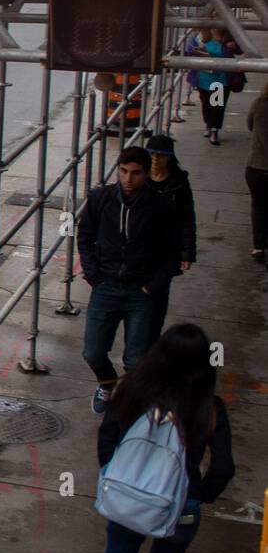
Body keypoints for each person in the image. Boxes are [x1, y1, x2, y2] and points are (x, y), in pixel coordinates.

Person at [85, 324, 234, 553]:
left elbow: (107, 438)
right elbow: (223, 467)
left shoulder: (133, 392)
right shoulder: (209, 408)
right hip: (181, 506)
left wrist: (115, 477)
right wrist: (198, 494)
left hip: (130, 500)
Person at [77, 147, 182, 414]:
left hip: (141, 290)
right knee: (92, 352)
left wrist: (153, 285)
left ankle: (130, 399)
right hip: (107, 286)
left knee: (136, 357)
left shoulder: (162, 208)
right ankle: (107, 382)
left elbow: (172, 251)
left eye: (135, 173)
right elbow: (85, 236)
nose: (128, 179)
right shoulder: (101, 199)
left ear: (146, 174)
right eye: (123, 172)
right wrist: (94, 275)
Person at [144, 134, 195, 344]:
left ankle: (149, 343)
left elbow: (187, 218)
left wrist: (187, 251)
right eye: (152, 154)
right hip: (141, 248)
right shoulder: (140, 178)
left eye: (161, 155)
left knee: (157, 299)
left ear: (170, 158)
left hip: (166, 250)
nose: (156, 159)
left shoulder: (179, 183)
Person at [195, 26, 240, 145]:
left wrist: (234, 45)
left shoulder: (229, 37)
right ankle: (208, 125)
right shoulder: (202, 36)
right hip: (204, 77)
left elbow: (241, 50)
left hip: (220, 79)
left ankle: (214, 129)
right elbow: (190, 50)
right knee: (206, 104)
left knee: (217, 105)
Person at [248, 81, 268, 264]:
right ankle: (213, 127)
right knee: (216, 105)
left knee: (258, 206)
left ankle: (259, 246)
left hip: (256, 166)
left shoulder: (259, 103)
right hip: (218, 85)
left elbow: (250, 124)